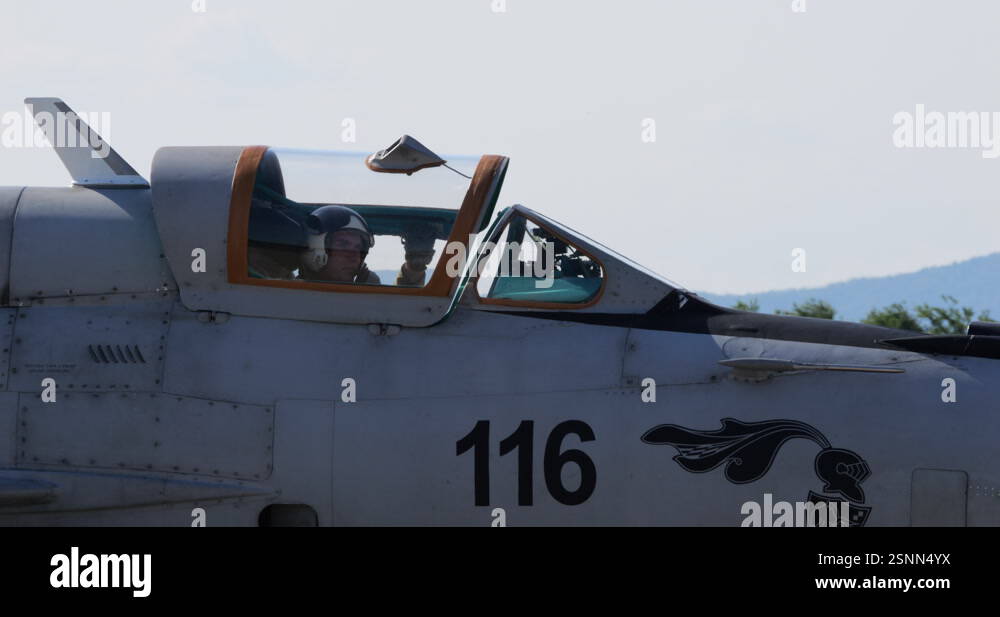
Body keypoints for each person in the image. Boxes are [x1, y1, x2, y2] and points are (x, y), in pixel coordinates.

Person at [300, 205, 381, 284]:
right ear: (316, 247)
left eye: (358, 248)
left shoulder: (368, 295)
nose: (354, 257)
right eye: (343, 245)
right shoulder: (291, 293)